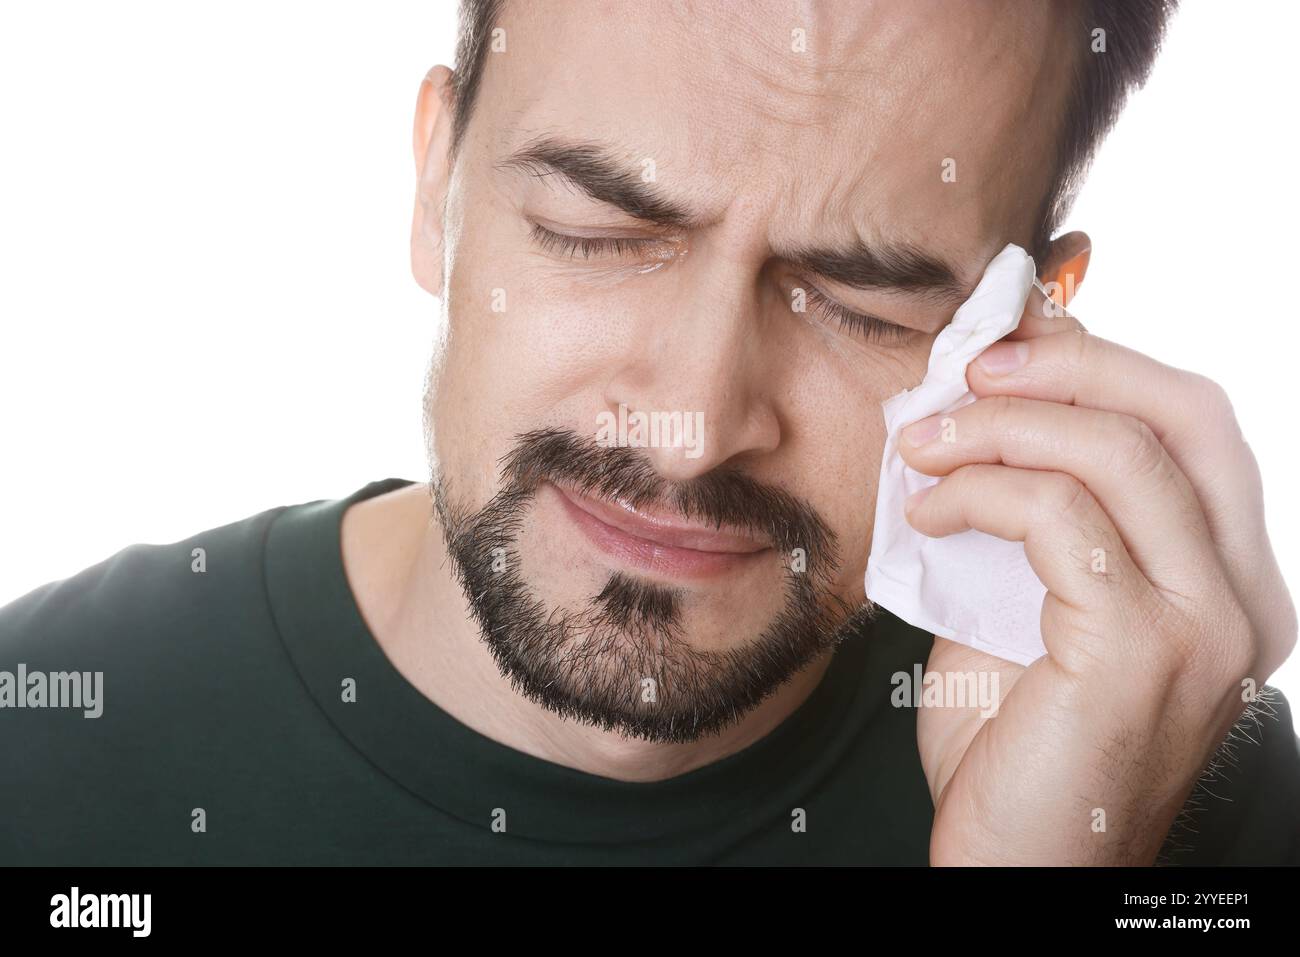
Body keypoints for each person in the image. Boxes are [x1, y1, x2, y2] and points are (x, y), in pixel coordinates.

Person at [2, 0, 1297, 866]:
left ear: (1026, 330)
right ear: (433, 185)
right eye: (597, 235)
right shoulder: (42, 750)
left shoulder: (1167, 781)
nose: (693, 432)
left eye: (859, 305)